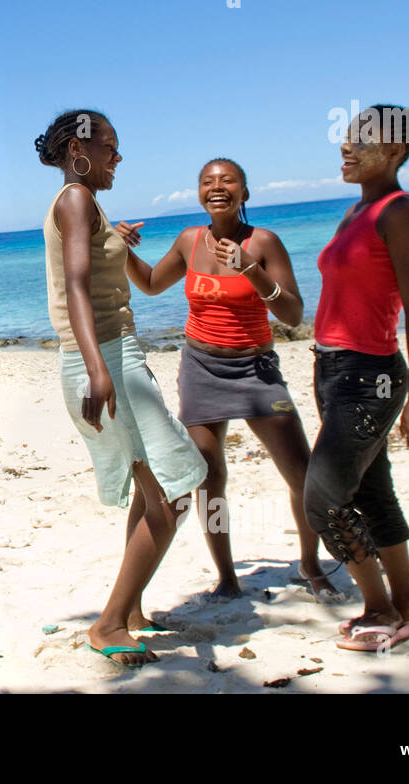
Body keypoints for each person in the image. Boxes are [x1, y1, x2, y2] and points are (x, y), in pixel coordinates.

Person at [114, 158, 337, 600]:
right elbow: (153, 284)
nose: (217, 187)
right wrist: (121, 251)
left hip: (256, 370)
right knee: (209, 478)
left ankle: (310, 564)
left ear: (244, 193)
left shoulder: (265, 242)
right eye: (207, 181)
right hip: (201, 369)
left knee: (302, 475)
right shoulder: (189, 240)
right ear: (199, 193)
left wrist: (250, 268)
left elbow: (293, 315)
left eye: (227, 180)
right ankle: (227, 577)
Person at [35, 109, 207, 667]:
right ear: (77, 151)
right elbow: (77, 287)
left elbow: (152, 283)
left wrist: (192, 250)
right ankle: (109, 622)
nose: (117, 157)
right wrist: (99, 370)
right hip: (106, 358)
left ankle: (129, 611)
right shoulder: (76, 201)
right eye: (110, 147)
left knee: (153, 484)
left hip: (114, 354)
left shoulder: (90, 209)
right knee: (174, 488)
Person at [305, 104, 409, 651]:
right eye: (347, 137)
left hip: (372, 376)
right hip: (332, 370)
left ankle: (378, 606)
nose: (347, 147)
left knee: (323, 499)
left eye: (363, 139)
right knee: (373, 491)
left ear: (397, 151)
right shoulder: (353, 213)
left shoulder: (400, 212)